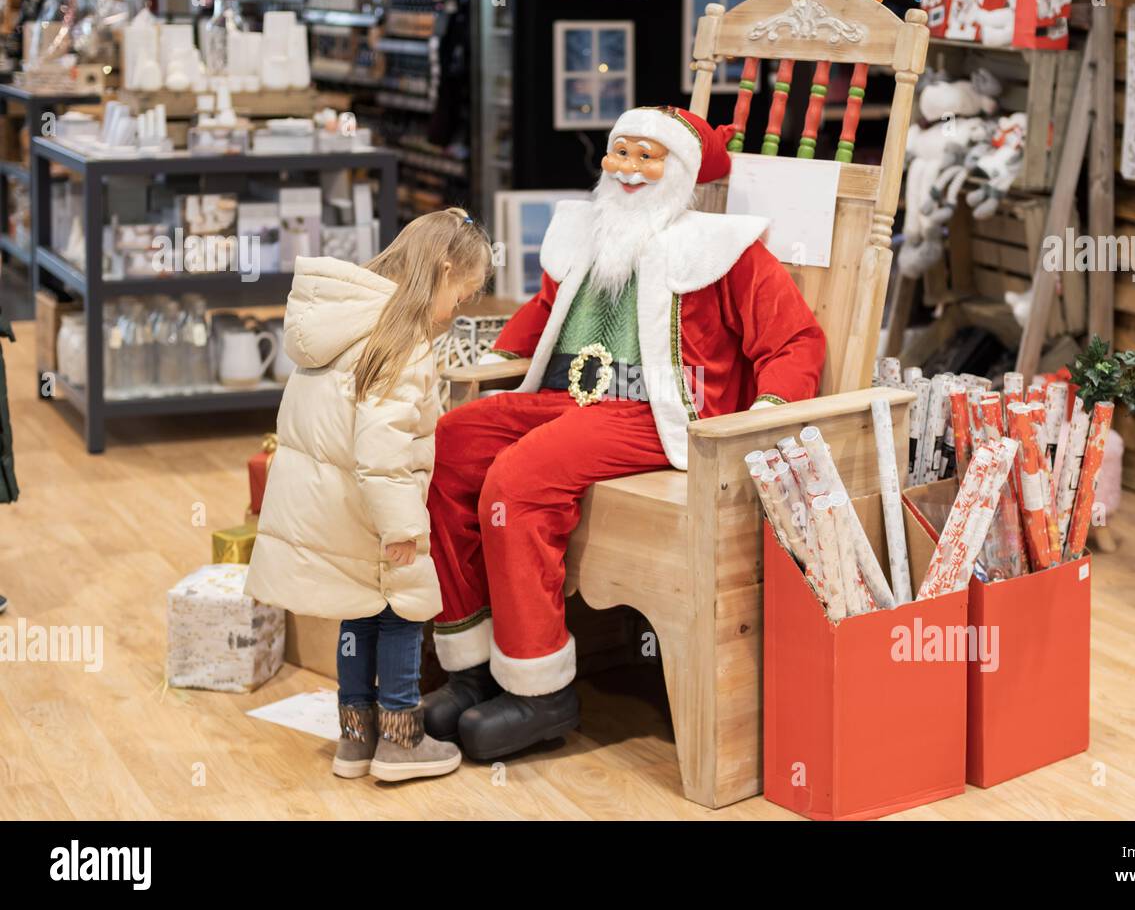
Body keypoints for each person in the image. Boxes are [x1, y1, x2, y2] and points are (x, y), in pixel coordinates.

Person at [424, 106, 827, 760]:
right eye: (622, 153)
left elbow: (795, 339)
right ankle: (471, 667)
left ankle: (539, 688)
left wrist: (770, 410)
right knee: (454, 441)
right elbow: (546, 312)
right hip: (565, 396)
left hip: (657, 413)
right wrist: (495, 359)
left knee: (517, 481)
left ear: (681, 171)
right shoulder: (587, 234)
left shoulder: (723, 249)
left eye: (649, 156)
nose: (631, 169)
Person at [246, 208, 490, 782]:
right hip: (373, 510)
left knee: (358, 615)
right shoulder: (401, 344)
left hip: (329, 504)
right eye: (461, 297)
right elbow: (382, 453)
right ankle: (401, 741)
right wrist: (403, 528)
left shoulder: (346, 324)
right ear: (443, 271)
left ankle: (355, 740)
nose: (455, 313)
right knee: (403, 612)